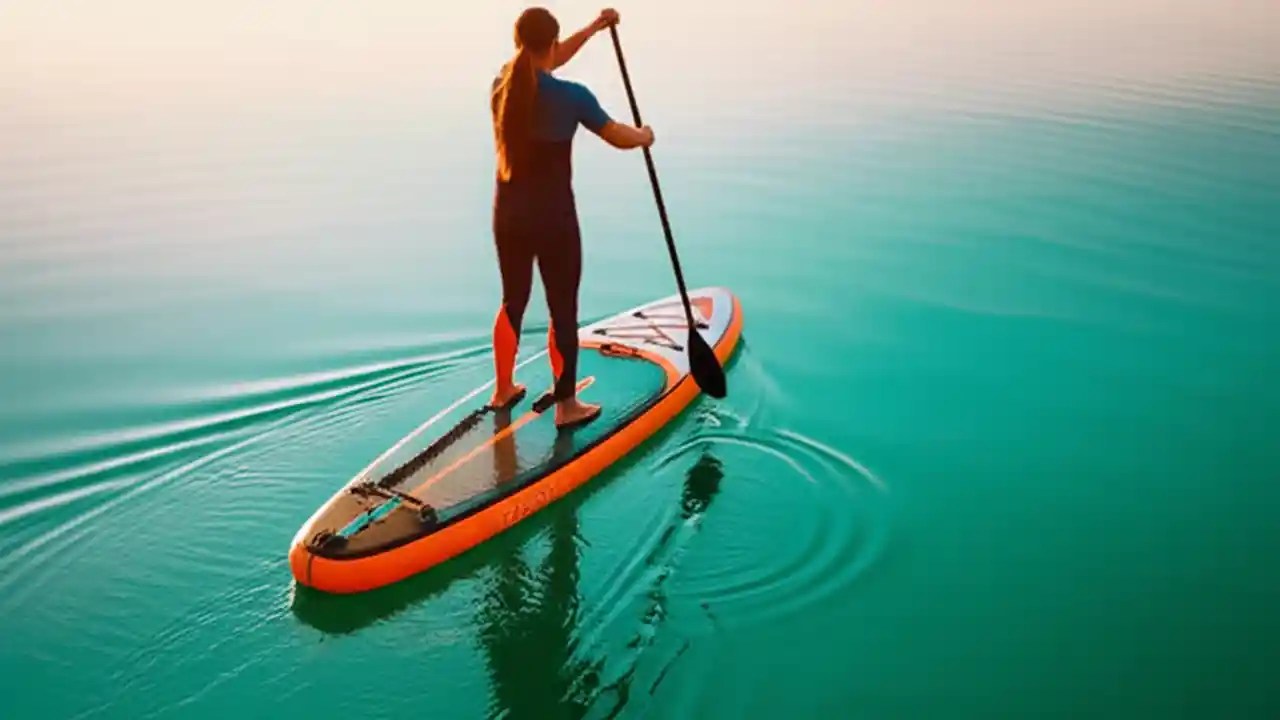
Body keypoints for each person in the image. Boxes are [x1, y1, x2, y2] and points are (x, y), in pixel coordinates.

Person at [488, 6, 655, 429]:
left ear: (518, 42)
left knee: (513, 301)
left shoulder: (501, 88)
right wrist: (644, 136)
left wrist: (596, 29)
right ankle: (566, 408)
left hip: (507, 216)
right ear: (552, 43)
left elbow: (546, 62)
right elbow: (616, 134)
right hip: (554, 220)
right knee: (562, 308)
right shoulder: (573, 96)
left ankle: (503, 389)